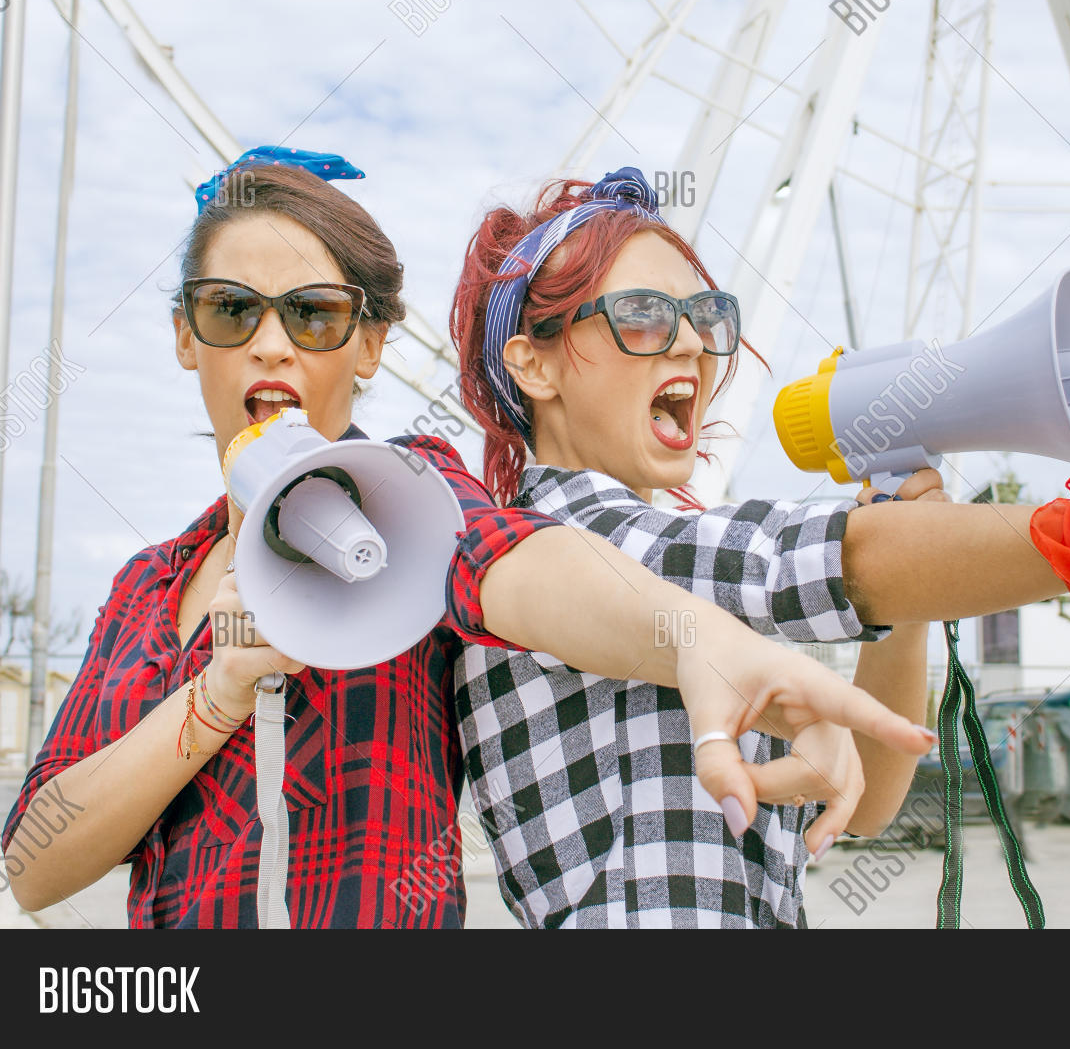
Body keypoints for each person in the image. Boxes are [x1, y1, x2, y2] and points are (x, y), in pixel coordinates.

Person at [447, 166, 1070, 928]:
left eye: (707, 321)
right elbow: (809, 559)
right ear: (529, 363)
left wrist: (910, 578)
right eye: (640, 317)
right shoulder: (558, 546)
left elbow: (870, 803)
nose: (688, 348)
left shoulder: (692, 595)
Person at [0, 150, 934, 928]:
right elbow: (35, 862)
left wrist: (703, 640)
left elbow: (527, 565)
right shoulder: (147, 587)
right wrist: (217, 692)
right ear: (184, 336)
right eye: (231, 310)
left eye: (315, 313)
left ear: (368, 349)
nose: (273, 344)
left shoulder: (415, 493)